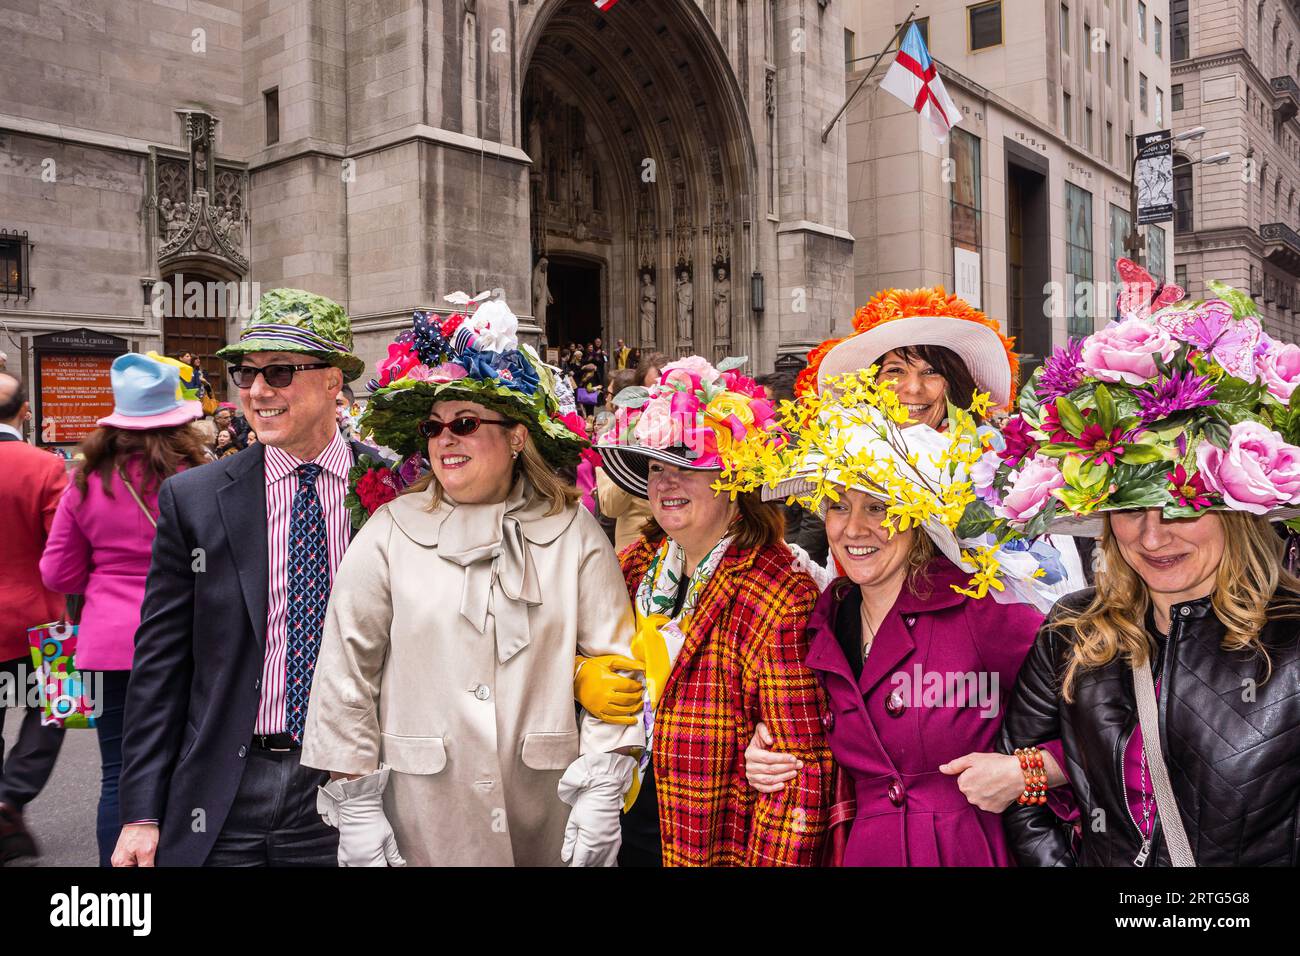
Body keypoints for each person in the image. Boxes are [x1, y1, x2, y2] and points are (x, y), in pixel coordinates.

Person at [302, 295, 640, 867]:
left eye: (464, 423)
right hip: (422, 812)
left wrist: (605, 783)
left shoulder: (573, 531)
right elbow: (346, 675)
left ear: (515, 437)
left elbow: (618, 665)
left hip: (545, 810)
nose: (444, 440)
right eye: (433, 428)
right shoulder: (389, 532)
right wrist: (355, 805)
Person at [997, 271, 1300, 866]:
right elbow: (1018, 783)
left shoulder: (1292, 641)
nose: (1151, 535)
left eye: (1179, 507)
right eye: (1128, 510)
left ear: (1232, 512)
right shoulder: (1072, 629)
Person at [737, 380, 1062, 865]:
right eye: (838, 506)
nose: (854, 528)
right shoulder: (825, 619)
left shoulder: (975, 607)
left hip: (968, 850)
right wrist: (764, 752)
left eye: (878, 507)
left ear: (920, 520)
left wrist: (1028, 772)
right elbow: (813, 737)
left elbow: (1111, 718)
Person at [112, 288, 375, 867]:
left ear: (334, 381)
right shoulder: (196, 497)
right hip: (225, 789)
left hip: (352, 785)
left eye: (280, 371)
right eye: (245, 372)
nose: (258, 391)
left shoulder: (397, 489)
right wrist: (140, 813)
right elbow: (161, 662)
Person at [593, 356, 833, 866]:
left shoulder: (778, 590)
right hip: (625, 823)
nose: (665, 483)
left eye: (688, 466)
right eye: (657, 467)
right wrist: (580, 674)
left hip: (716, 837)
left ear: (733, 479)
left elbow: (796, 773)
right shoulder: (634, 565)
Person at [39, 353, 207, 867]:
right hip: (188, 638)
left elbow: (57, 574)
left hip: (109, 643)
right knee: (189, 765)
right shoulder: (201, 478)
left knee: (118, 773)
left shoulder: (85, 481)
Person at [0, 372, 68, 863]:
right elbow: (62, 553)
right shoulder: (47, 466)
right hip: (44, 618)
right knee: (60, 708)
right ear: (26, 412)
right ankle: (12, 795)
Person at [594, 369, 653, 554]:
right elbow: (610, 507)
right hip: (633, 551)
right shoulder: (609, 442)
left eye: (609, 394)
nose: (606, 400)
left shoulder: (667, 433)